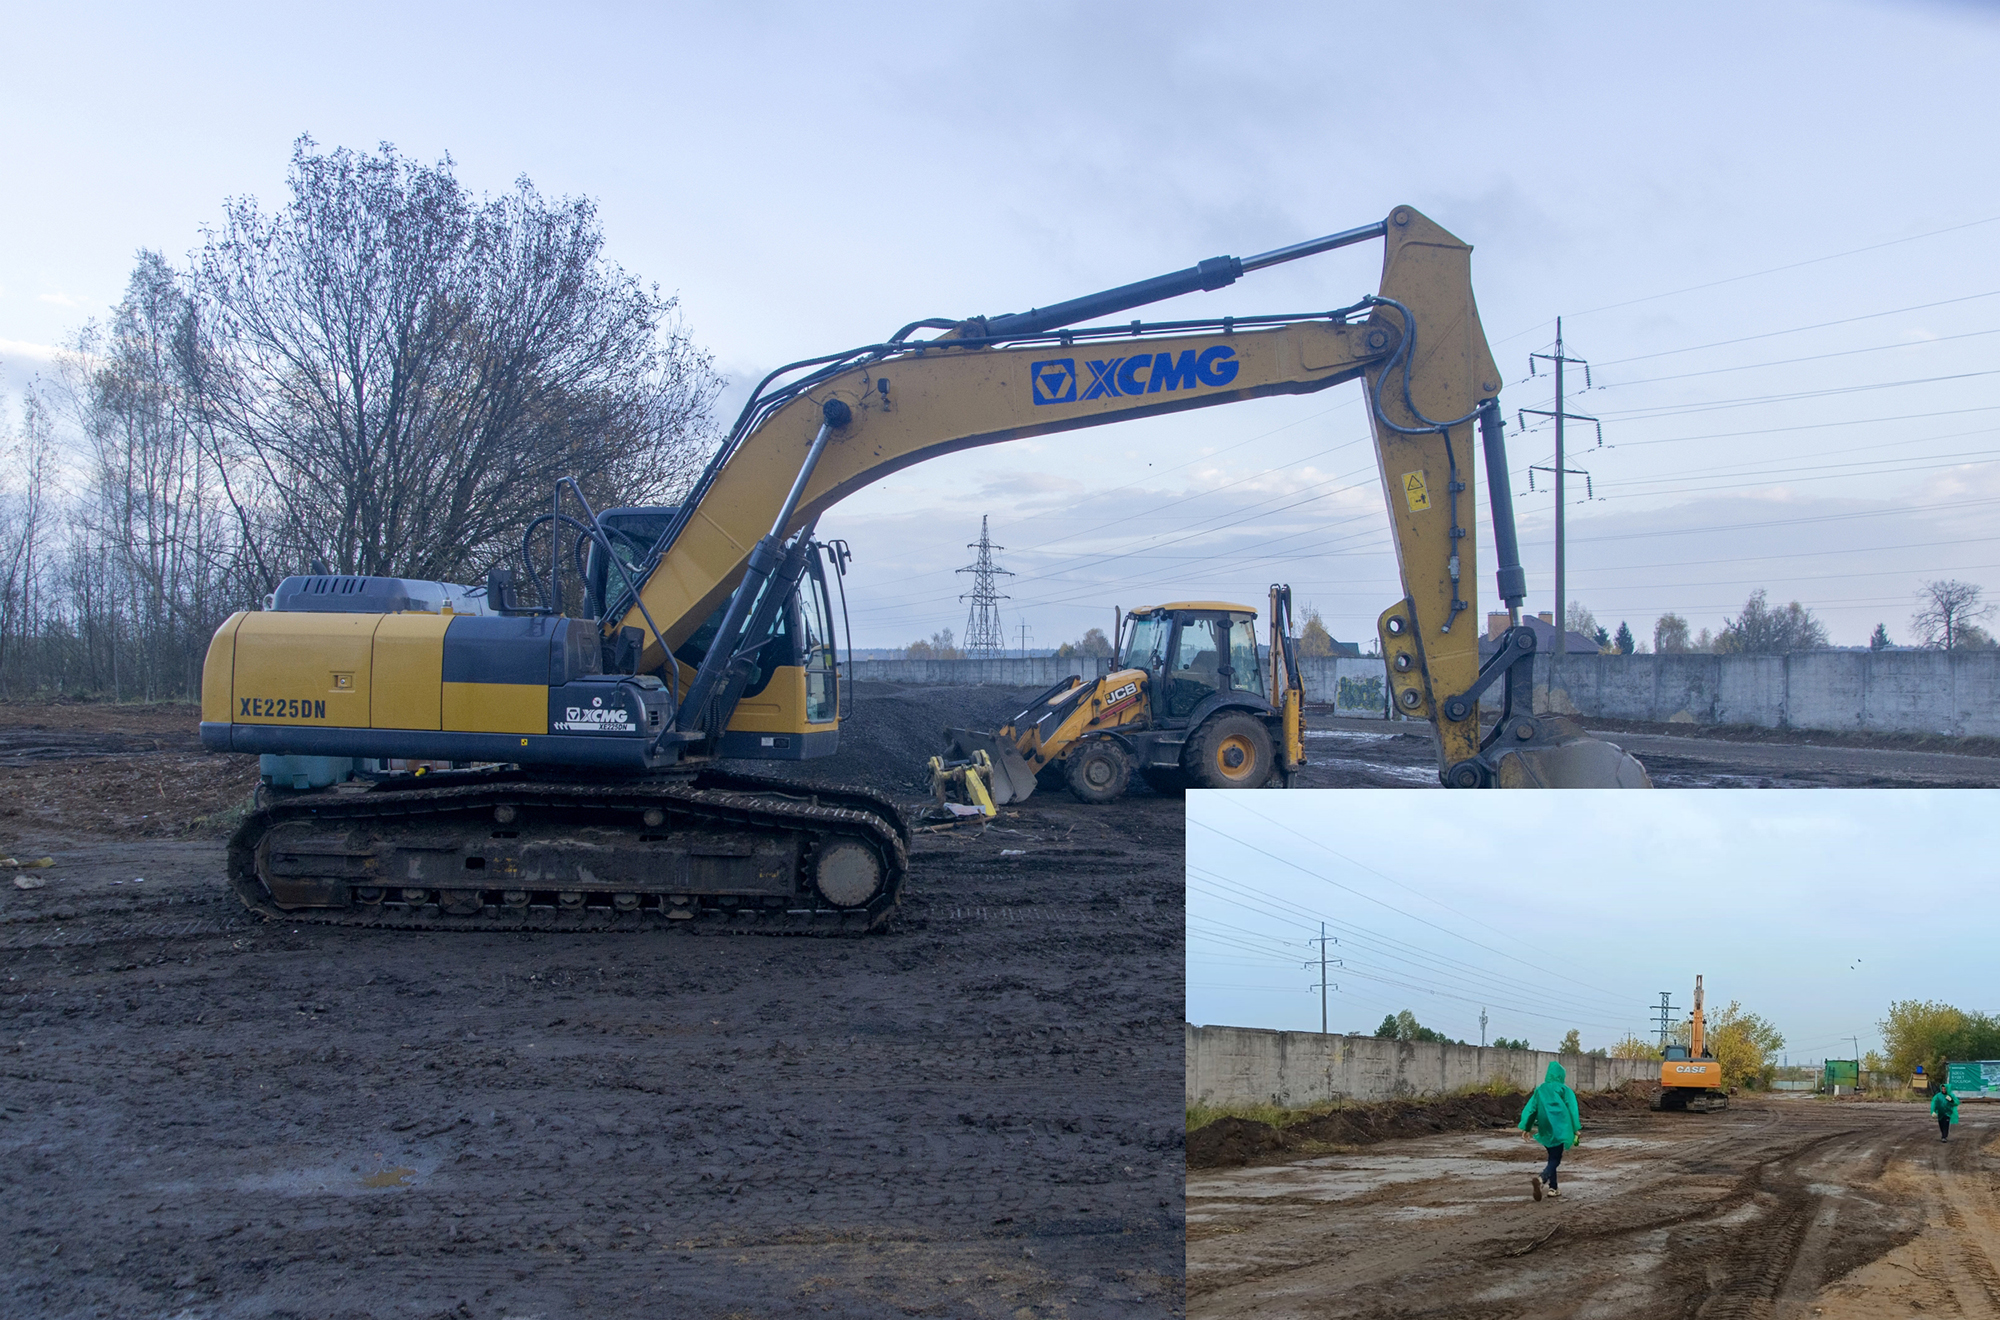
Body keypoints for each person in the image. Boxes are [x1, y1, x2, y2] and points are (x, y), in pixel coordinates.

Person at [1518, 1059, 1582, 1200]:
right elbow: (1572, 1109)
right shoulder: (1565, 1090)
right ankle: (1542, 1179)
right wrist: (1576, 1128)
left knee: (1552, 1156)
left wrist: (1527, 1127)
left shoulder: (1540, 1089)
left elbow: (1531, 1109)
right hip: (1560, 1126)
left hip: (1545, 1126)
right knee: (1556, 1159)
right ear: (1561, 1076)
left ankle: (1553, 1188)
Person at [1932, 1078, 1958, 1142]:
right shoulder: (1938, 1096)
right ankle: (1943, 1135)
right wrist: (1934, 1111)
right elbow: (1935, 1103)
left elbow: (1956, 1103)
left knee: (1946, 1125)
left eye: (1944, 1089)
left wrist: (1951, 1100)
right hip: (1940, 1113)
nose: (1943, 1090)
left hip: (1947, 1113)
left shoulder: (1950, 1095)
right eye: (1942, 1089)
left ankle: (1944, 1136)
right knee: (1941, 1125)